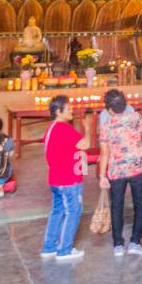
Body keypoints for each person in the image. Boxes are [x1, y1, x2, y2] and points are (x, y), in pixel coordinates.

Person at [98, 88, 142, 256]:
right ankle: (135, 241)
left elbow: (104, 153)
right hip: (137, 168)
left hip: (116, 171)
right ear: (125, 105)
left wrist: (102, 175)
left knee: (117, 206)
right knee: (140, 204)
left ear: (109, 109)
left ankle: (118, 244)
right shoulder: (136, 117)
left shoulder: (106, 125)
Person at [41, 94, 90, 262]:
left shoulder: (51, 128)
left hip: (56, 178)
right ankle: (64, 250)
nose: (72, 111)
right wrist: (88, 128)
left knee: (57, 211)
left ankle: (49, 247)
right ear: (58, 111)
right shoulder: (63, 128)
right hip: (68, 179)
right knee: (73, 212)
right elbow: (85, 145)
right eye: (68, 109)